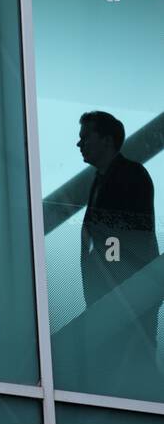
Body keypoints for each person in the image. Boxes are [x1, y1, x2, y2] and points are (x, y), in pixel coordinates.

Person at [76, 110, 159, 374]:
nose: (80, 144)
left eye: (86, 137)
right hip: (111, 291)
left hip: (127, 289)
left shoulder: (131, 175)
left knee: (131, 361)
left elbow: (131, 234)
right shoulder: (100, 180)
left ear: (106, 140)